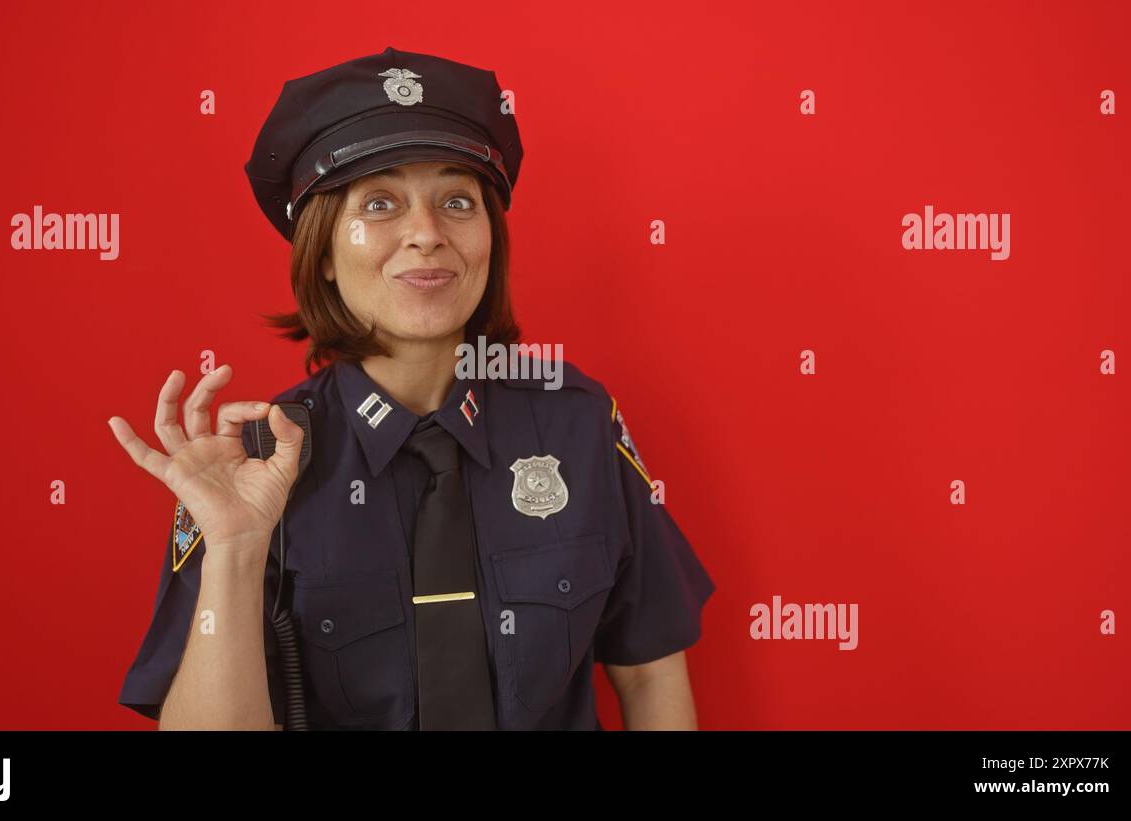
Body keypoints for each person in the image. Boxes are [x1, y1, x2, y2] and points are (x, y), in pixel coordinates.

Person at [108, 46, 715, 730]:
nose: (427, 234)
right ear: (326, 254)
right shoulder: (253, 461)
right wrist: (237, 548)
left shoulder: (578, 424)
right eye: (381, 202)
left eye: (457, 200)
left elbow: (652, 675)